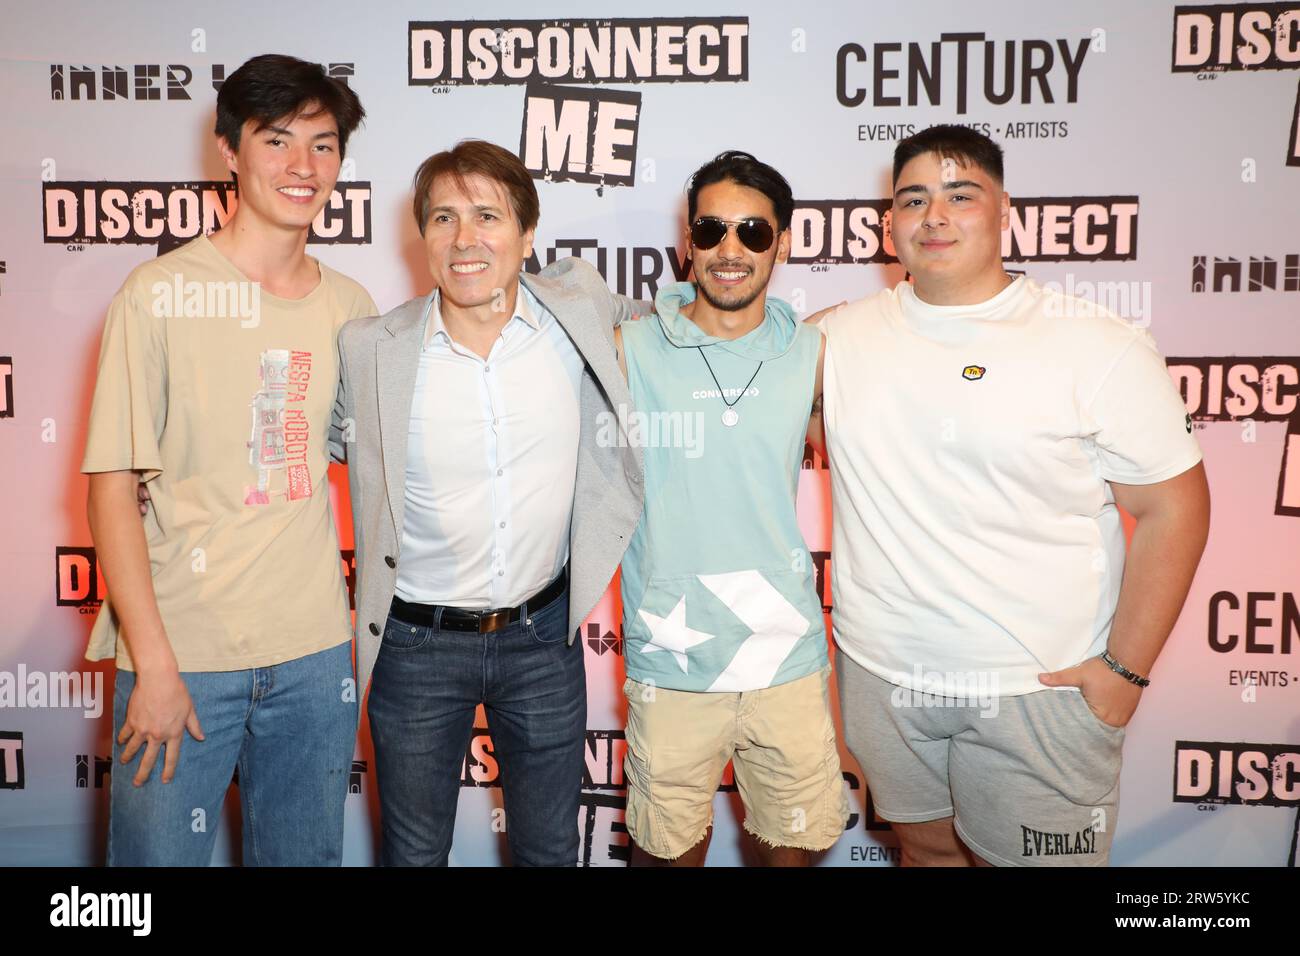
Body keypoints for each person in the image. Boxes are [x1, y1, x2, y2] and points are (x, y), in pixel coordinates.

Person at [817, 124, 1210, 867]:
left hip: (1041, 688)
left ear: (1005, 212)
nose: (935, 215)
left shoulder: (1096, 343)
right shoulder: (838, 338)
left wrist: (1123, 674)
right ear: (888, 222)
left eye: (960, 195)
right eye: (913, 198)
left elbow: (1175, 507)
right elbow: (726, 373)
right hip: (881, 675)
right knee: (926, 854)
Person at [82, 54, 374, 865]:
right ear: (228, 150)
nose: (301, 167)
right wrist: (155, 667)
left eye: (321, 145)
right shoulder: (158, 294)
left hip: (316, 663)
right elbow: (109, 492)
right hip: (183, 656)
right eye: (276, 140)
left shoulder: (352, 308)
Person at [332, 140, 646, 866]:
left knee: (547, 853)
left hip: (543, 639)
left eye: (487, 215)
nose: (465, 239)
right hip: (414, 648)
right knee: (412, 856)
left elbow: (688, 324)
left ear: (528, 234)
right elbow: (288, 449)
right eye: (443, 218)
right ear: (422, 238)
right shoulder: (368, 348)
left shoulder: (580, 310)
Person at [614, 151, 849, 866]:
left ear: (781, 242)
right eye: (712, 229)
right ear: (688, 241)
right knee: (665, 854)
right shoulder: (629, 347)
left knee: (796, 849)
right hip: (672, 657)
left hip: (786, 657)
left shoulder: (814, 353)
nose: (730, 249)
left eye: (753, 231)